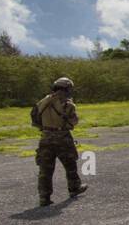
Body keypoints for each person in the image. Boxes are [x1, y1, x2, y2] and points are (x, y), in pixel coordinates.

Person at [31, 76, 87, 206]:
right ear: (67, 89)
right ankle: (74, 188)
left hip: (45, 138)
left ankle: (44, 197)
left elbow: (34, 119)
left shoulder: (42, 102)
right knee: (70, 165)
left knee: (45, 170)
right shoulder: (68, 104)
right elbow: (73, 121)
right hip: (62, 137)